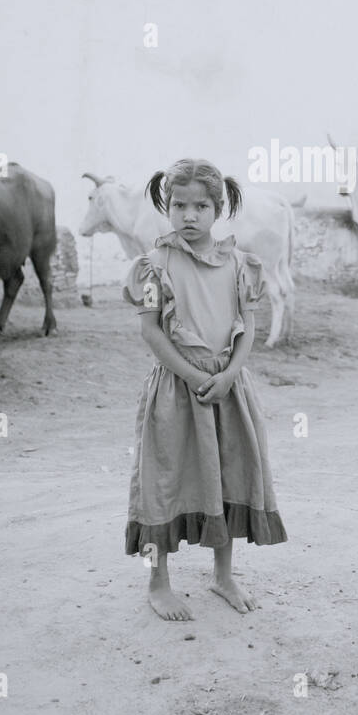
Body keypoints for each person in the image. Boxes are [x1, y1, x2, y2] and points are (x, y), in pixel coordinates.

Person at [122, 157, 287, 620]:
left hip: (229, 388)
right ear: (166, 206)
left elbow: (248, 326)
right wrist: (196, 378)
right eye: (178, 205)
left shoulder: (240, 264)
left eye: (200, 206)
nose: (188, 215)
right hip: (178, 391)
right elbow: (152, 332)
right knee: (164, 482)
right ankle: (159, 582)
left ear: (219, 209)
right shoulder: (153, 266)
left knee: (229, 473)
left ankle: (223, 574)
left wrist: (231, 373)